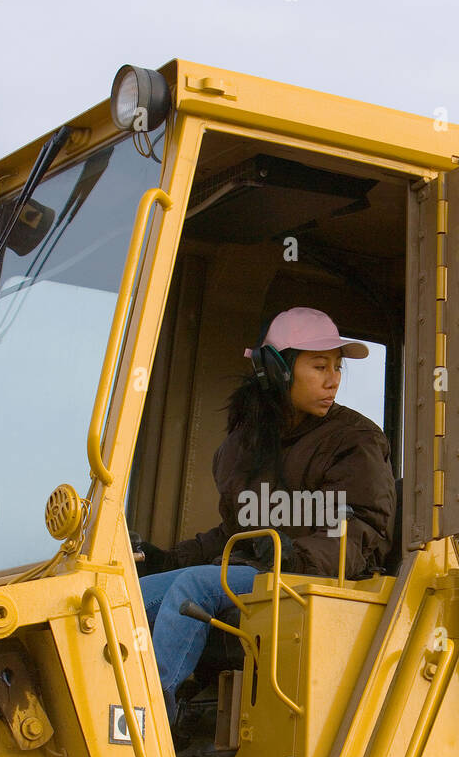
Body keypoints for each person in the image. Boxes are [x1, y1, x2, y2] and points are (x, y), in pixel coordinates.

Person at [137, 307, 396, 721]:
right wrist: (169, 559)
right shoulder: (246, 444)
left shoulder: (355, 440)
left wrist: (294, 555)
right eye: (319, 366)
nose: (333, 380)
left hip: (314, 581)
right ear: (278, 370)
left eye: (336, 367)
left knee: (192, 588)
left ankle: (151, 718)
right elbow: (233, 531)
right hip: (261, 572)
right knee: (137, 594)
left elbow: (365, 530)